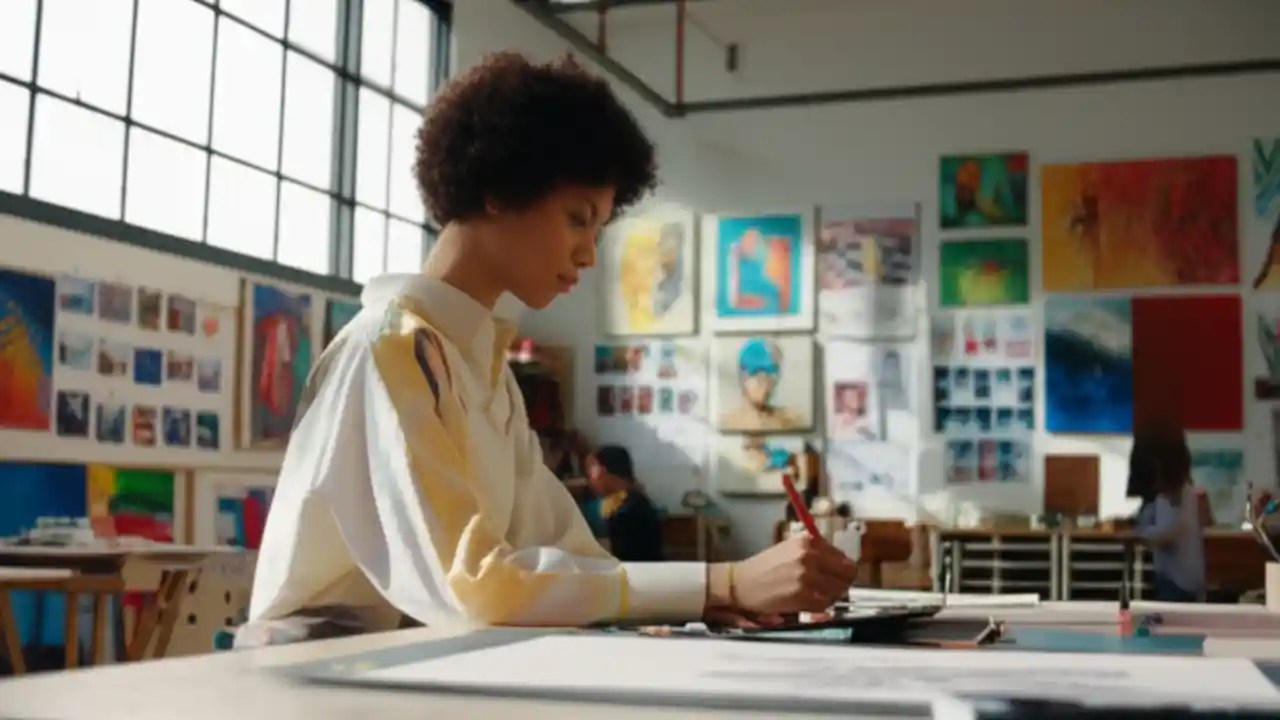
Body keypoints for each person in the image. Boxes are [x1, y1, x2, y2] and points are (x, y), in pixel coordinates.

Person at [245, 53, 857, 637]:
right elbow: (479, 586)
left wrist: (712, 598)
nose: (589, 253)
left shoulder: (482, 368)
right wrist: (720, 583)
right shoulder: (390, 351)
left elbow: (569, 554)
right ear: (500, 188)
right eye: (577, 218)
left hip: (414, 667)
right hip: (323, 679)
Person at [1128, 422, 1206, 602]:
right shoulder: (1165, 497)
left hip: (1180, 582)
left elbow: (1170, 532)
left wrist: (1139, 535)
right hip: (1173, 577)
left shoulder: (1181, 495)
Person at [585, 446, 664, 562]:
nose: (590, 479)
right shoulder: (618, 502)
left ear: (602, 471)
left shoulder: (630, 509)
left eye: (591, 470)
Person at [719, 337, 804, 431]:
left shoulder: (789, 420)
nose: (766, 384)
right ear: (743, 378)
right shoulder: (727, 422)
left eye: (770, 376)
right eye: (758, 375)